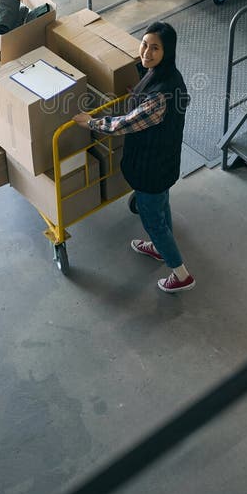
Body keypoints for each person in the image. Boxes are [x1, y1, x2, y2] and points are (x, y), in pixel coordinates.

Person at [73, 21, 195, 293]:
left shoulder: (160, 96)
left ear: (168, 51)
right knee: (161, 207)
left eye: (155, 48)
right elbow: (148, 103)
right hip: (163, 163)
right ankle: (161, 248)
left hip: (150, 167)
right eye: (144, 44)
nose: (146, 52)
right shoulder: (168, 76)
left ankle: (181, 274)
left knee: (153, 219)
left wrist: (91, 122)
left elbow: (123, 125)